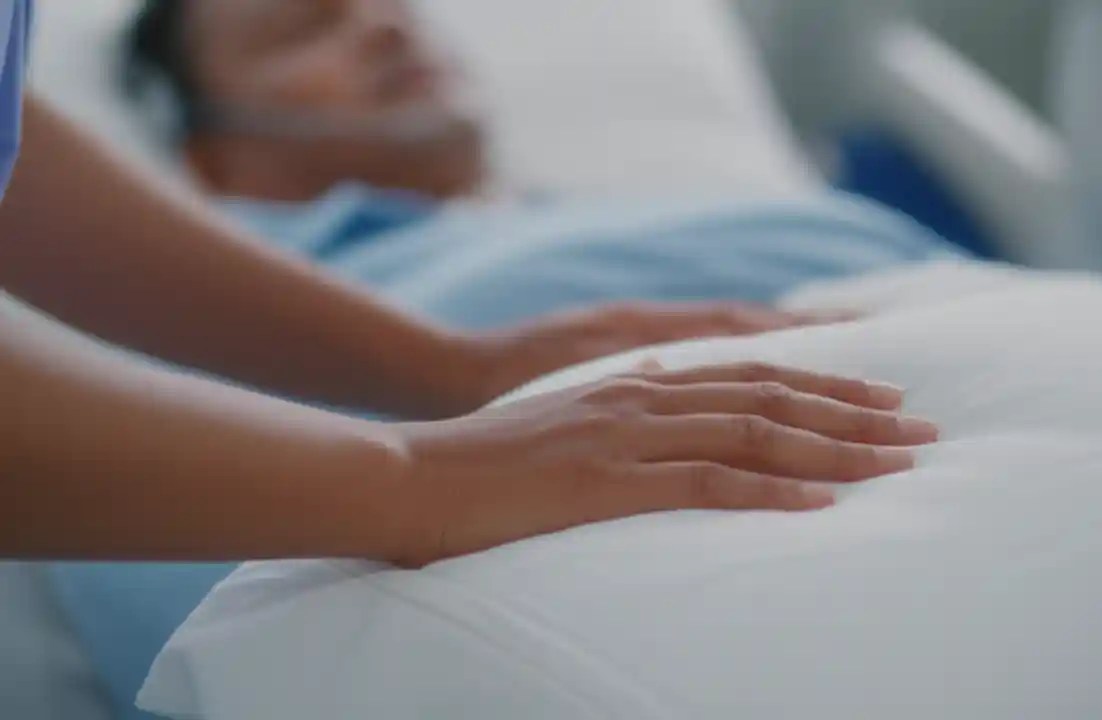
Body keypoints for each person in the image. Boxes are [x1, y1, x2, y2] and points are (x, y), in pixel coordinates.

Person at [1, 0, 940, 569]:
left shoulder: (679, 213)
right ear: (208, 153)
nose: (380, 23)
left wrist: (456, 372)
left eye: (386, 5)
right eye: (303, 24)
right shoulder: (155, 403)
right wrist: (418, 478)